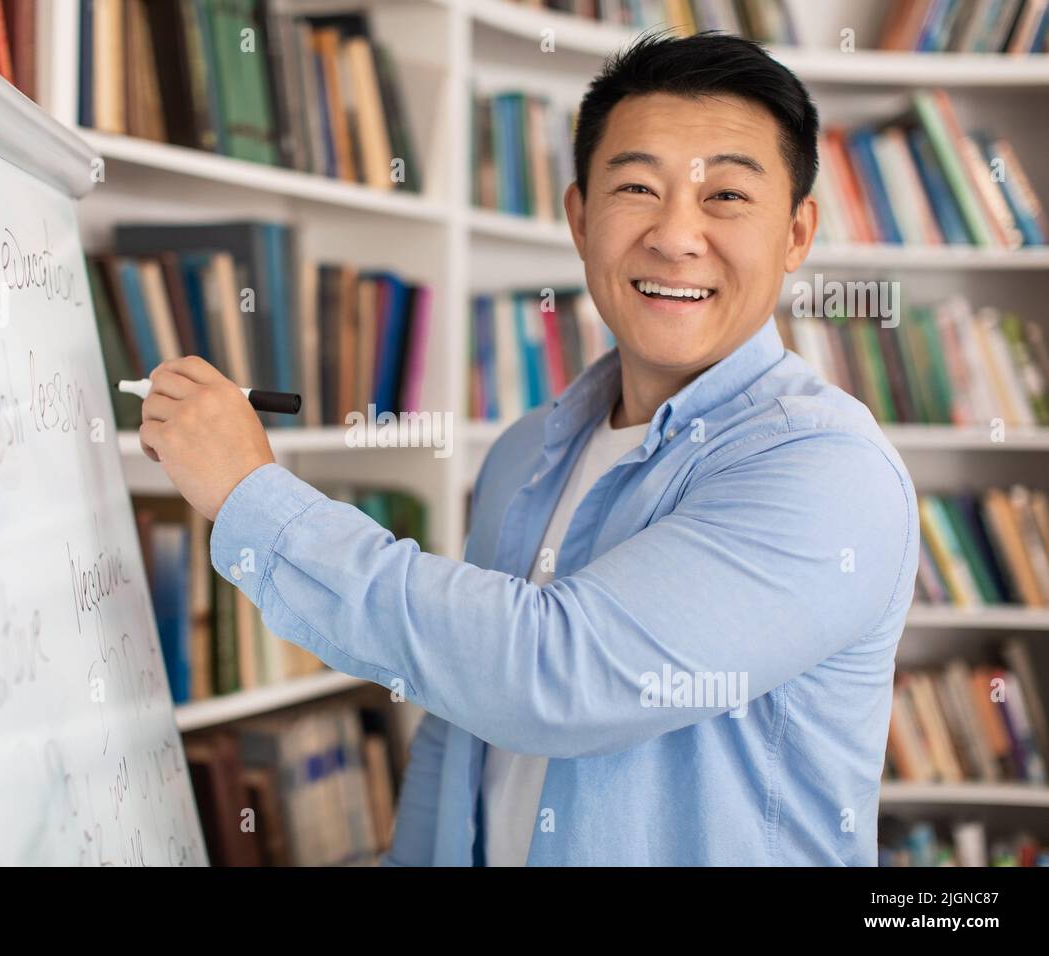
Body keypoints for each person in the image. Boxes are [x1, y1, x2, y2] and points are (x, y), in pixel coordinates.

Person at [137, 31, 920, 866]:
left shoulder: (827, 470)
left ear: (797, 234)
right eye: (636, 187)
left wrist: (251, 496)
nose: (675, 235)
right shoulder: (523, 451)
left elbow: (551, 678)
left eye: (726, 196)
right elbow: (458, 723)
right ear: (581, 219)